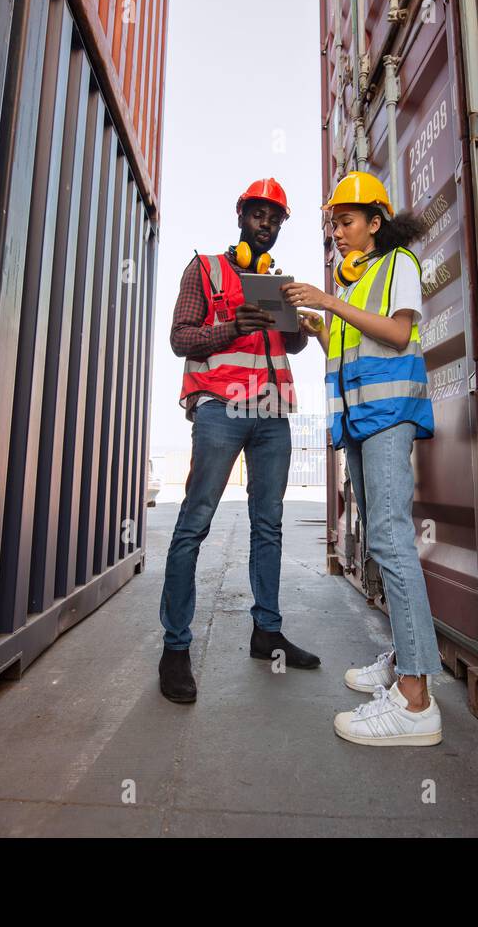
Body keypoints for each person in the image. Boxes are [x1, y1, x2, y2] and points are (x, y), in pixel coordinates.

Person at [281, 170, 443, 746]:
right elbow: (354, 347)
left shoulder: (398, 265)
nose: (338, 234)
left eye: (346, 222)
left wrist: (327, 300)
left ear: (376, 222)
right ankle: (404, 662)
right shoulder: (352, 286)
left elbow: (398, 336)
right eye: (333, 226)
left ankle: (416, 698)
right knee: (383, 539)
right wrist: (322, 326)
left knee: (393, 541)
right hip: (358, 424)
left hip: (387, 419)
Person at [157, 178, 321, 704]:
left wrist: (297, 323)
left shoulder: (276, 280)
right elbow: (182, 337)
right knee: (195, 522)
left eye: (276, 218)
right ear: (241, 215)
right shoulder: (204, 268)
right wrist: (231, 326)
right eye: (259, 214)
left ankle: (266, 633)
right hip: (220, 410)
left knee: (268, 525)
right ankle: (176, 648)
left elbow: (287, 346)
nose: (267, 224)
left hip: (271, 414)